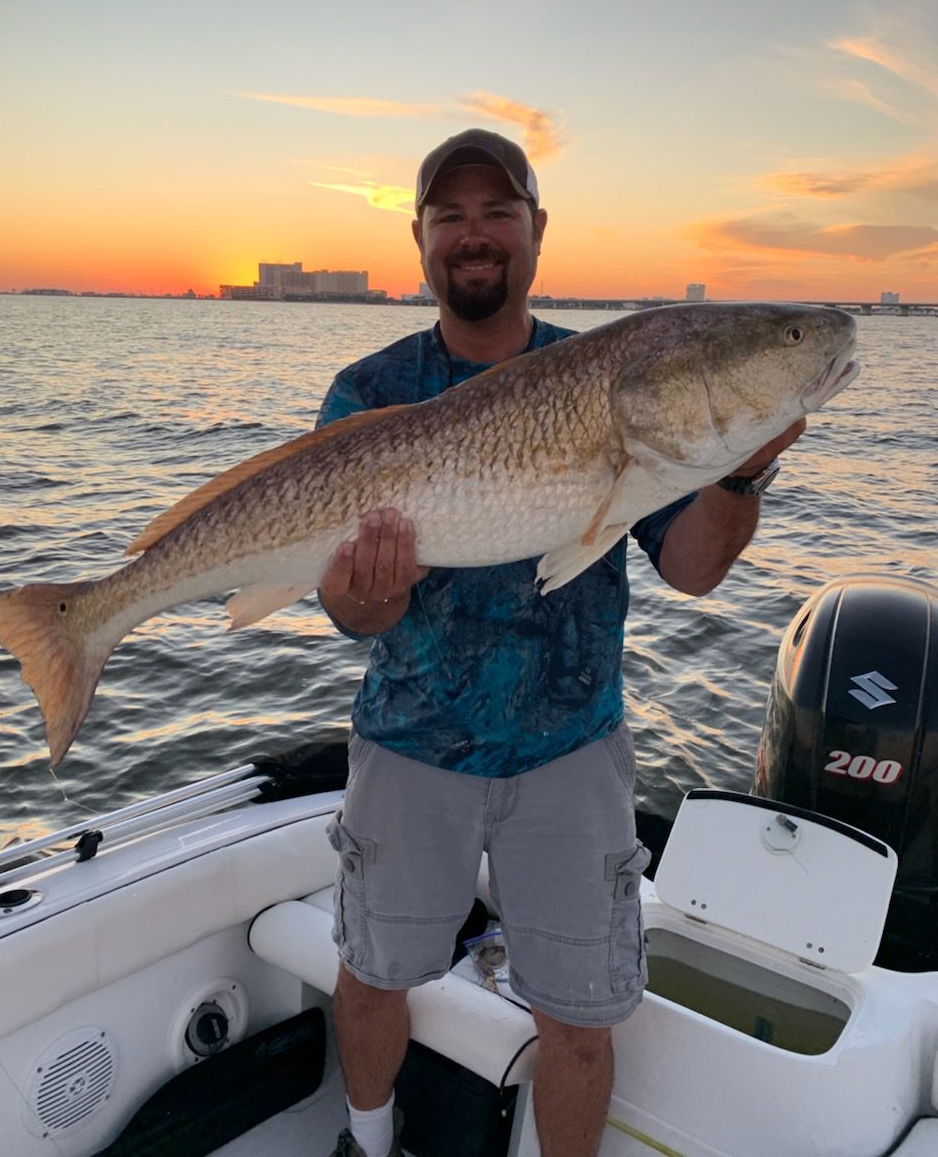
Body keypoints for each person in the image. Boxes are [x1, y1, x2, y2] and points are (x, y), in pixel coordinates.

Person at [316, 128, 804, 1157]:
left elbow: (694, 567)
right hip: (409, 744)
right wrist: (368, 595)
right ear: (420, 238)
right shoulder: (369, 391)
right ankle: (366, 1139)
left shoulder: (624, 381)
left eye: (499, 211)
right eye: (452, 215)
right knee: (374, 972)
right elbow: (348, 612)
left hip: (574, 752)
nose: (475, 234)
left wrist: (741, 471)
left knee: (583, 1018)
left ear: (537, 230)